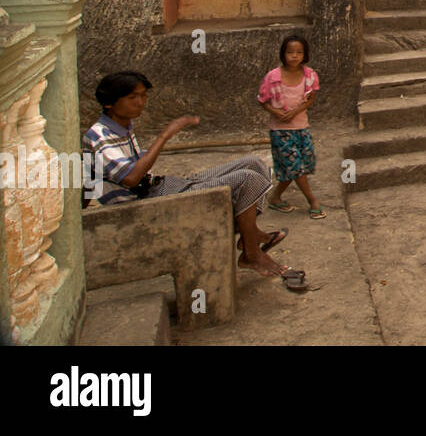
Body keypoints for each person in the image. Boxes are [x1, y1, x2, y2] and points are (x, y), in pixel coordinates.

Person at [82, 71, 307, 291]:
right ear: (110, 103)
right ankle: (251, 252)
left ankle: (250, 233)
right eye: (133, 97)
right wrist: (164, 137)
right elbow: (131, 178)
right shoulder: (100, 135)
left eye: (143, 96)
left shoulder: (124, 126)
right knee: (246, 179)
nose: (141, 102)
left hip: (161, 186)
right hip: (143, 203)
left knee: (254, 163)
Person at [258, 35, 324, 219]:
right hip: (280, 130)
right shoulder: (273, 77)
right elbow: (262, 100)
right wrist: (275, 112)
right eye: (290, 52)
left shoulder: (310, 75)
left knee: (303, 163)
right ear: (283, 54)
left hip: (302, 126)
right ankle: (312, 200)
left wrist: (296, 112)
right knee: (295, 166)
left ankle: (276, 197)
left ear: (305, 54)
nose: (294, 56)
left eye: (299, 52)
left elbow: (311, 99)